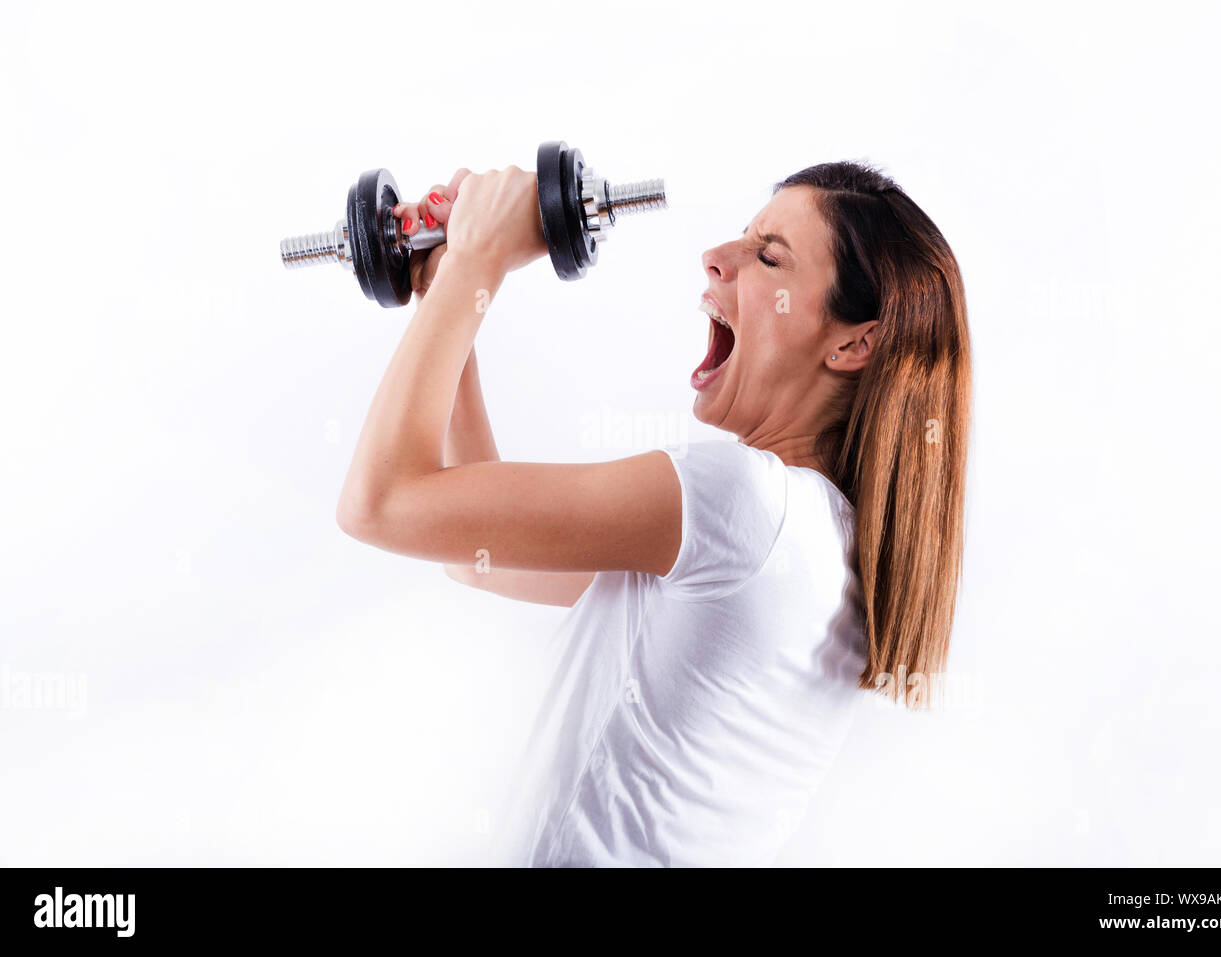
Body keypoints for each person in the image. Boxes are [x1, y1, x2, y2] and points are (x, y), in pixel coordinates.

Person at [336, 158, 971, 866]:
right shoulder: (814, 546)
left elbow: (380, 502)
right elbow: (473, 552)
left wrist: (480, 259)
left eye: (769, 256)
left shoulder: (746, 506)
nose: (718, 257)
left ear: (855, 341)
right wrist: (447, 282)